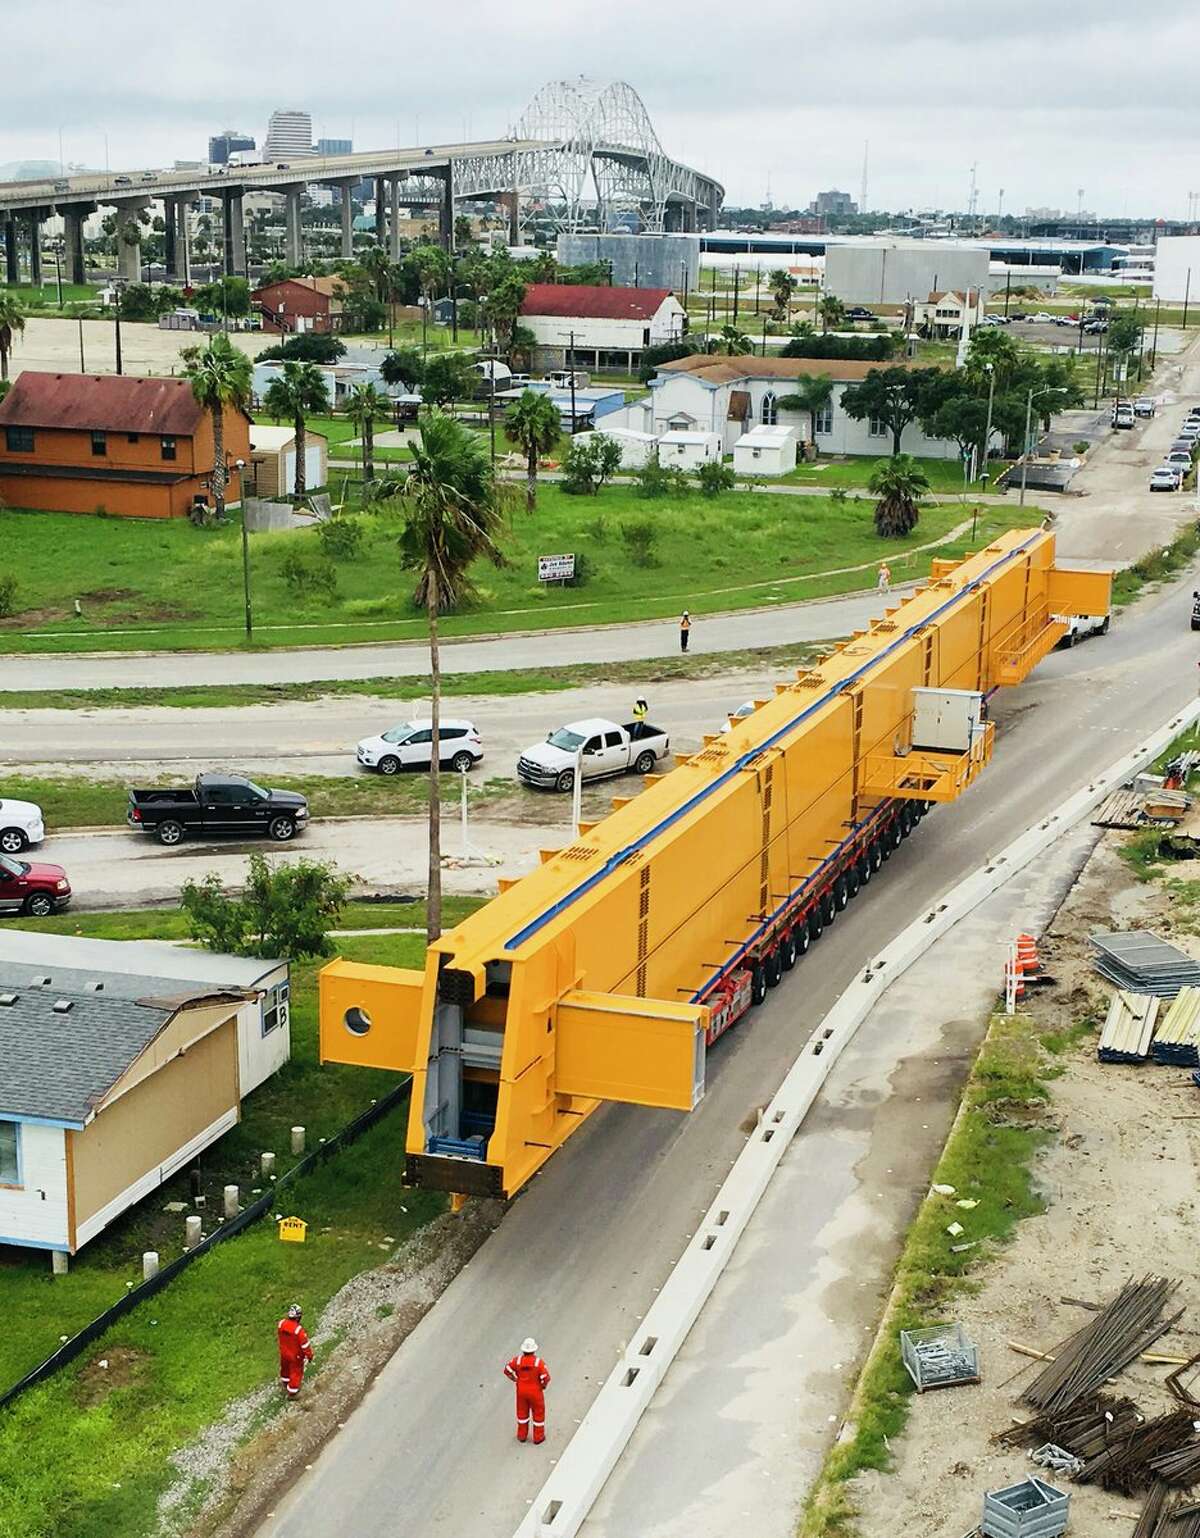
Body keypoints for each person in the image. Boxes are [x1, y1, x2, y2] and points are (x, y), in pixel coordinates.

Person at [504, 1337, 551, 1444]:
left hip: (521, 1391)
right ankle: (538, 1437)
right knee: (538, 1414)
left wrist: (515, 1379)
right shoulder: (538, 1363)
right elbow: (546, 1377)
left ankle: (522, 1436)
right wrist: (543, 1386)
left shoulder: (517, 1361)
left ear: (523, 1350)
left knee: (522, 1413)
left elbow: (507, 1370)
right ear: (534, 1350)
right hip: (535, 1392)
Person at [277, 1303, 314, 1401]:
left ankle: (285, 1383)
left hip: (284, 1353)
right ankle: (292, 1393)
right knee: (296, 1372)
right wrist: (309, 1356)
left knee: (285, 1369)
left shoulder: (281, 1324)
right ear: (298, 1317)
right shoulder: (298, 1330)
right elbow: (305, 1345)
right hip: (295, 1356)